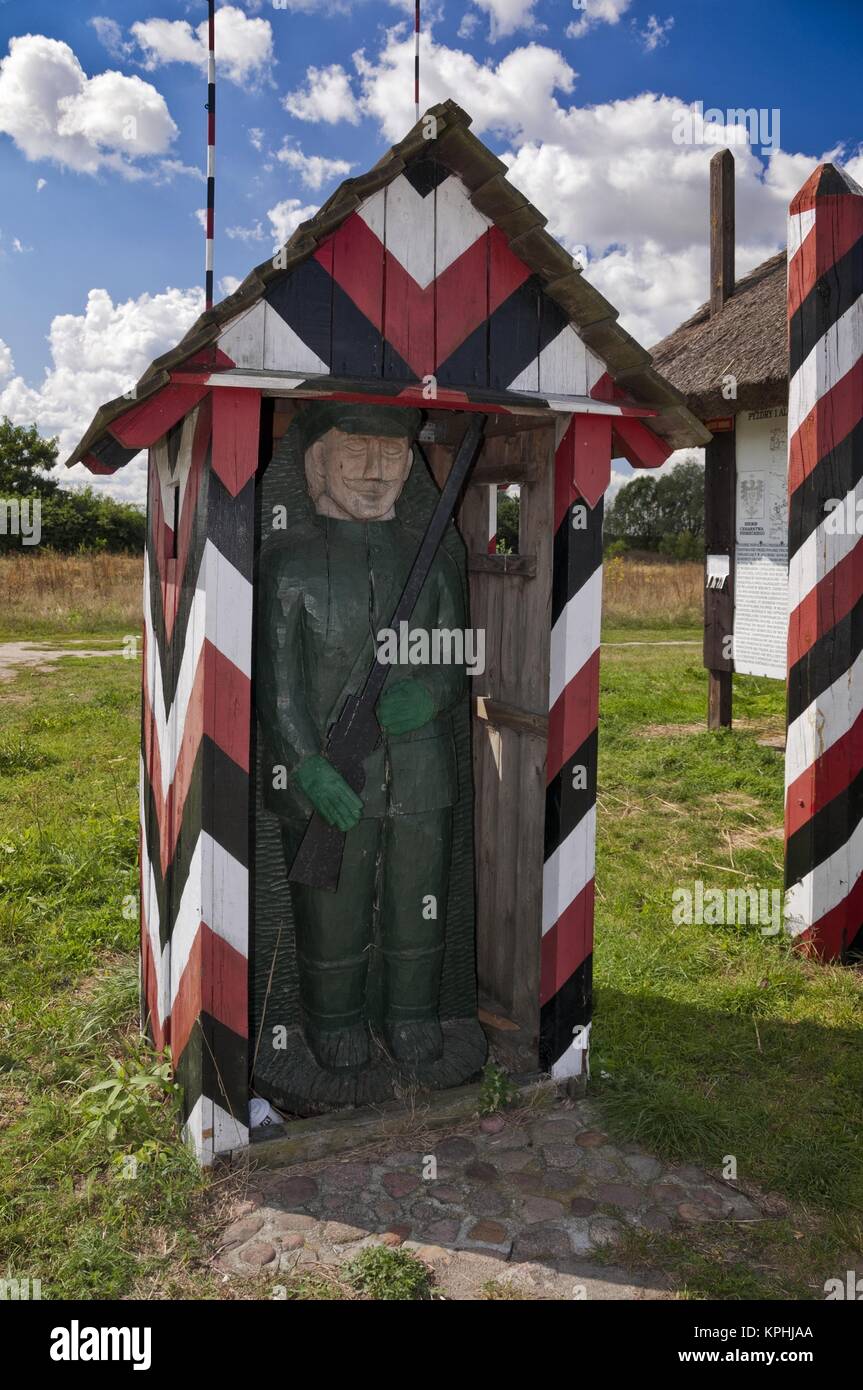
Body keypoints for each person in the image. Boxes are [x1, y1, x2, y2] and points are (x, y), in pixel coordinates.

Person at [256, 402, 467, 1073]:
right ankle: (334, 1021)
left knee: (416, 901)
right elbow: (275, 684)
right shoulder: (286, 565)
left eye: (392, 453)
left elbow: (455, 654)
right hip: (326, 775)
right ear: (317, 461)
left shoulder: (428, 559)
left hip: (419, 774)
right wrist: (304, 765)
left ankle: (411, 1014)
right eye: (355, 451)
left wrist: (430, 693)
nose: (376, 472)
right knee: (334, 907)